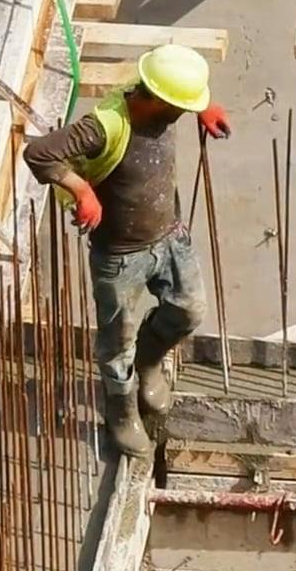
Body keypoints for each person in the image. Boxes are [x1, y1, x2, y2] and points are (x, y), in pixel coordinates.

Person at [20, 44, 233, 460]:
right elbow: (38, 153)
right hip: (120, 254)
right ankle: (120, 411)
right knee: (117, 344)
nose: (181, 112)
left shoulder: (158, 99)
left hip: (169, 236)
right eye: (181, 106)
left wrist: (204, 108)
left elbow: (181, 93)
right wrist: (81, 191)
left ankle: (150, 361)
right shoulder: (104, 126)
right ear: (156, 99)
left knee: (189, 309)